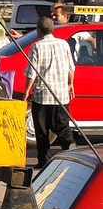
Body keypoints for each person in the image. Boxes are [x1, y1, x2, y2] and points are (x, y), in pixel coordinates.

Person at [23, 16, 76, 169]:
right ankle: (69, 145)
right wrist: (70, 83)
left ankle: (44, 160)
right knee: (62, 124)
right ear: (52, 29)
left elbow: (32, 72)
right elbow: (70, 67)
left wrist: (27, 91)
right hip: (61, 94)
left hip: (42, 95)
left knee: (42, 130)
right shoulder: (64, 44)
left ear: (39, 30)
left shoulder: (37, 47)